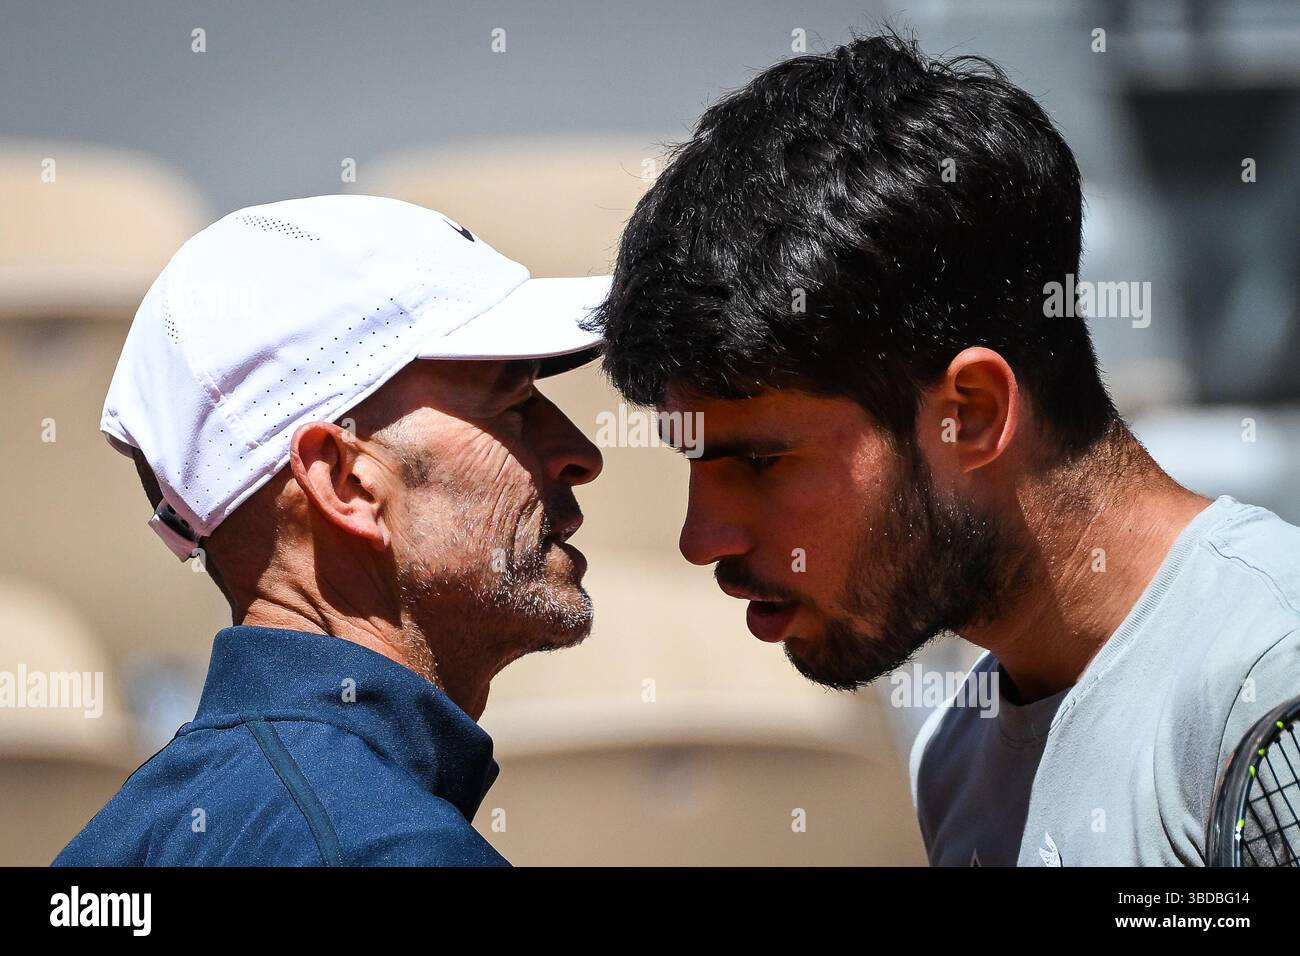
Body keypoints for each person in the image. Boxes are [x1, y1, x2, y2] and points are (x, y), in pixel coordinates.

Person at [587, 32, 1300, 865]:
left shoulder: (1268, 680)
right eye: (692, 460)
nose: (702, 537)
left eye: (761, 460)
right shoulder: (957, 755)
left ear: (972, 412)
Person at [54, 194, 606, 866]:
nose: (582, 452)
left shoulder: (119, 843)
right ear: (345, 483)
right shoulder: (392, 851)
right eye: (513, 406)